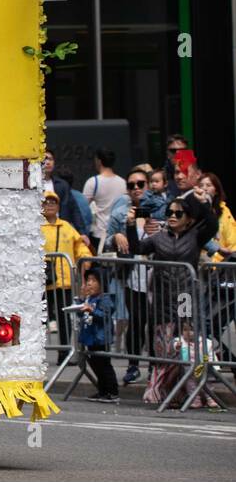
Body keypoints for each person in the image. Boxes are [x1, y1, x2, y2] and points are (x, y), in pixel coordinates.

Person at [126, 193, 219, 405]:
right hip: (162, 298)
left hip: (185, 297)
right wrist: (130, 225)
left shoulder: (196, 235)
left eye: (179, 213)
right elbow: (137, 249)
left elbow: (212, 225)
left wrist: (201, 202)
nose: (173, 216)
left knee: (186, 346)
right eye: (170, 212)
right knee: (166, 349)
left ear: (189, 219)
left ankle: (192, 392)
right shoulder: (159, 238)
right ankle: (167, 392)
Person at [109, 172, 161, 385]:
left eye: (141, 184)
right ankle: (133, 365)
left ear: (148, 185)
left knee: (156, 323)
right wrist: (116, 236)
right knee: (137, 322)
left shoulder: (161, 209)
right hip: (132, 277)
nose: (136, 188)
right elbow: (107, 242)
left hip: (159, 277)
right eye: (131, 185)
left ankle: (155, 367)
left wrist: (159, 226)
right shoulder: (121, 212)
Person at [42, 190, 91, 347]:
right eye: (45, 202)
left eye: (53, 202)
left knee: (64, 318)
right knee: (38, 318)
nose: (49, 205)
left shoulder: (67, 227)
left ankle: (64, 351)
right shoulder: (34, 226)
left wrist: (86, 260)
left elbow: (79, 246)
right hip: (41, 280)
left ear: (58, 206)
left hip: (64, 281)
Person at [76, 269, 119, 403]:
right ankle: (102, 390)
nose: (89, 283)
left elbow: (104, 316)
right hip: (90, 337)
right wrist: (81, 300)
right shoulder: (89, 298)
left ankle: (112, 392)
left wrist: (92, 310)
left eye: (93, 280)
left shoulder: (105, 298)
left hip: (101, 338)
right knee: (95, 364)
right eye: (88, 280)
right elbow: (80, 313)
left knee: (104, 365)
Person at [83, 149, 126, 248]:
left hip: (100, 233)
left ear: (99, 161)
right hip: (119, 233)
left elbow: (84, 208)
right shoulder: (123, 182)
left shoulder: (93, 182)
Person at [43, 150, 87, 236]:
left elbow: (74, 209)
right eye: (44, 159)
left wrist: (82, 233)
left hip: (60, 231)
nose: (47, 162)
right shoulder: (31, 186)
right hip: (39, 231)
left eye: (50, 159)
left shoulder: (62, 185)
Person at [195, 172, 236, 262]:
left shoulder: (224, 210)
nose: (204, 188)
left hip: (223, 261)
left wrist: (232, 253)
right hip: (202, 261)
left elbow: (232, 235)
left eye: (208, 185)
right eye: (201, 185)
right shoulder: (194, 208)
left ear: (216, 190)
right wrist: (217, 249)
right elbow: (195, 234)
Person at [163, 134, 190, 199]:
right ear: (168, 154)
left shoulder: (195, 175)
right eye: (173, 151)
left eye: (182, 150)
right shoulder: (161, 176)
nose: (178, 153)